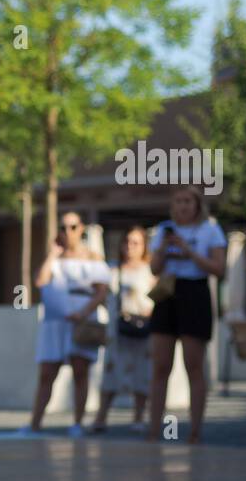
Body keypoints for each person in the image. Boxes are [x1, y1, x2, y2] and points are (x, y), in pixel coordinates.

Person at [146, 186, 227, 444]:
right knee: (160, 365)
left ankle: (195, 430)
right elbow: (154, 269)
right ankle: (154, 428)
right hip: (168, 292)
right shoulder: (164, 229)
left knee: (193, 364)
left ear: (197, 204)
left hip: (195, 293)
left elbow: (218, 268)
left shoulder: (210, 229)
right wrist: (164, 249)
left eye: (187, 201)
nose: (182, 206)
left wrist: (188, 251)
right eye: (178, 201)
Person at [23, 211, 110, 437]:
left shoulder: (94, 258)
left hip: (82, 322)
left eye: (72, 227)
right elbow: (40, 281)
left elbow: (101, 293)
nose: (67, 232)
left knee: (81, 371)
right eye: (63, 227)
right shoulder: (55, 258)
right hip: (55, 324)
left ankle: (77, 423)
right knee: (47, 372)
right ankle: (35, 423)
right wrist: (52, 254)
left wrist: (83, 313)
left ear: (81, 229)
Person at [91, 226, 155, 433]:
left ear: (144, 246)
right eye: (127, 241)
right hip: (117, 329)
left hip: (144, 328)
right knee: (111, 371)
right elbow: (99, 293)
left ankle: (138, 417)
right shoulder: (112, 269)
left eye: (136, 242)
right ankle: (101, 417)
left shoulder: (151, 270)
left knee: (142, 372)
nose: (130, 247)